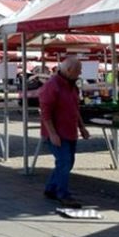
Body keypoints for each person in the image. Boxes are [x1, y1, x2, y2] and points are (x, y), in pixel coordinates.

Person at [39, 56, 90, 209]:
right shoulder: (52, 86)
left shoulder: (73, 86)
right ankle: (63, 194)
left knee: (67, 162)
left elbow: (75, 108)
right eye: (78, 71)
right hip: (57, 133)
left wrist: (82, 127)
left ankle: (51, 188)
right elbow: (46, 113)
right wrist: (53, 134)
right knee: (64, 162)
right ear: (68, 70)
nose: (80, 74)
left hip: (70, 131)